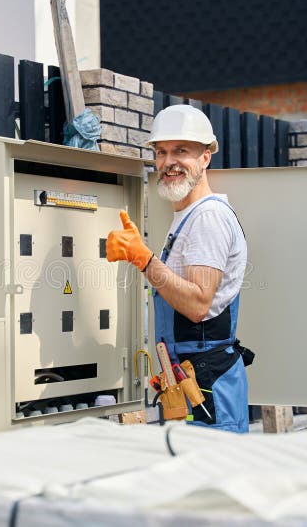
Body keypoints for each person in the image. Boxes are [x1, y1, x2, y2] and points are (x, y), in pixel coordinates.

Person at [106, 104, 249, 433]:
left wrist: (143, 259)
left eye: (181, 151)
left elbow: (199, 305)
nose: (168, 162)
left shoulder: (207, 217)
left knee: (211, 476)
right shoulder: (188, 216)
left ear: (205, 157)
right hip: (191, 376)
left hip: (208, 381)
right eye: (161, 152)